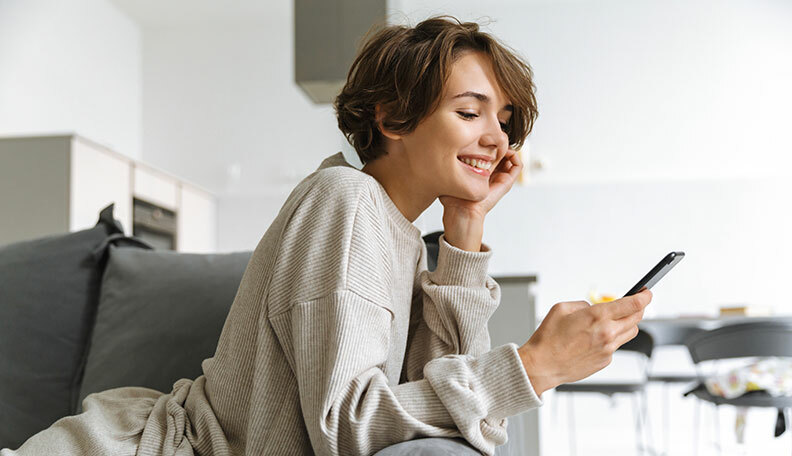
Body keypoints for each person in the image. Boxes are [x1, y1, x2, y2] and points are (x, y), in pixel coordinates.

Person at [1, 15, 651, 456]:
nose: (498, 139)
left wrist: (465, 225)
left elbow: (430, 399)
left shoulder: (397, 232)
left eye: (505, 121)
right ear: (393, 115)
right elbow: (346, 425)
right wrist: (533, 366)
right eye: (469, 111)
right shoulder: (345, 202)